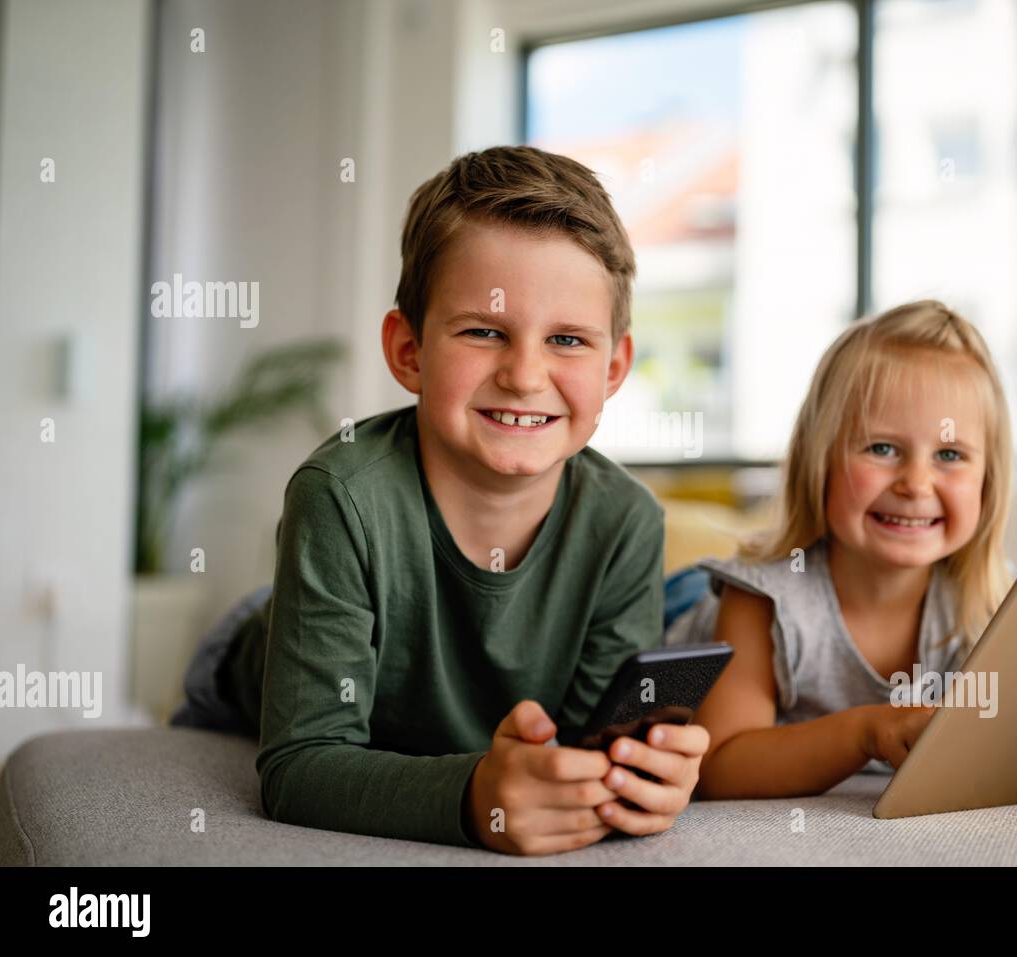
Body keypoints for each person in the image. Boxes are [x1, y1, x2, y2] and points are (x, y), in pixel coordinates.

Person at [171, 146, 708, 855]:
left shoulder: (627, 519)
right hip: (257, 655)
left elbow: (582, 746)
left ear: (613, 368)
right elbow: (299, 764)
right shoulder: (341, 497)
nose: (524, 375)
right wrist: (473, 795)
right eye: (484, 331)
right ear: (409, 351)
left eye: (567, 340)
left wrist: (640, 774)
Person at [665, 300, 1017, 799]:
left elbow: (1004, 761)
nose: (916, 483)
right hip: (680, 616)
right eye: (881, 448)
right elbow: (721, 768)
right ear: (821, 462)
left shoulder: (989, 599)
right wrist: (869, 732)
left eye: (949, 455)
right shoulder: (760, 598)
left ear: (989, 480)